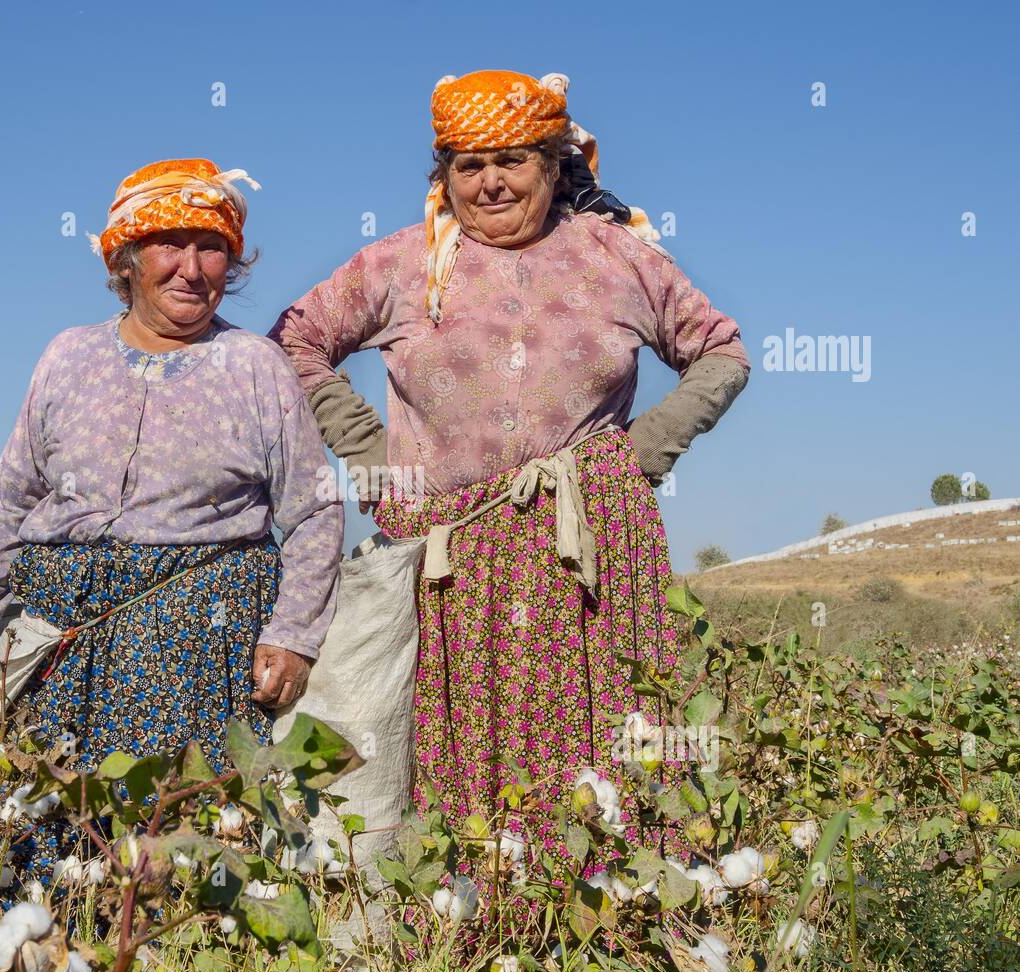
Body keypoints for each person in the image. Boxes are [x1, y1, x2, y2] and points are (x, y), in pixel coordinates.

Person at [269, 71, 751, 877]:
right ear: (444, 176)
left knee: (606, 761)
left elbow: (722, 352)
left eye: (513, 160)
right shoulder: (403, 264)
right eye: (468, 165)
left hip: (590, 547)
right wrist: (372, 461)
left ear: (555, 166)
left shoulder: (615, 254)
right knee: (452, 766)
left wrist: (640, 456)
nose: (489, 182)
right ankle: (472, 943)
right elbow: (295, 339)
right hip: (448, 558)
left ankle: (611, 932)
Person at [0, 158, 344, 885]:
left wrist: (294, 633)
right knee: (40, 847)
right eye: (169, 244)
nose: (191, 267)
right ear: (125, 258)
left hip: (194, 646)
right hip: (59, 645)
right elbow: (7, 504)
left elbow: (312, 508)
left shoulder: (253, 366)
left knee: (170, 855)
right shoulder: (67, 357)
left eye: (211, 246)